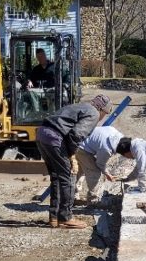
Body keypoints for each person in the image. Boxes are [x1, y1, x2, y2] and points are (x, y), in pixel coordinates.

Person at [36, 94, 112, 229]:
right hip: (55, 138)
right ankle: (66, 217)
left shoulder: (80, 106)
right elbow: (77, 134)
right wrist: (72, 156)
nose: (103, 117)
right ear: (101, 109)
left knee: (56, 177)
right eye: (105, 114)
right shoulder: (93, 113)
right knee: (69, 176)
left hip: (42, 134)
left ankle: (54, 217)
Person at [76, 125, 124, 205]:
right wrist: (108, 174)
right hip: (82, 148)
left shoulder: (115, 134)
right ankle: (93, 201)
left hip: (78, 141)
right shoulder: (106, 149)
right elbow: (100, 164)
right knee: (95, 172)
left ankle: (73, 196)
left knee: (80, 170)